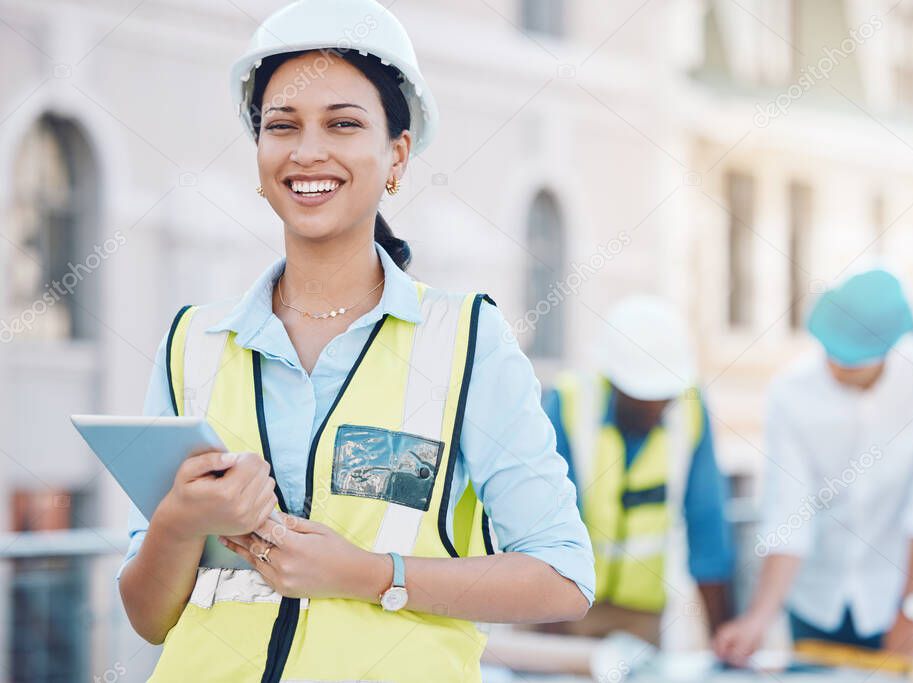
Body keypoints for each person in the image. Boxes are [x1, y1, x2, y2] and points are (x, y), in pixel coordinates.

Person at [116, 2, 594, 681]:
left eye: (343, 123)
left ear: (396, 155)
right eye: (282, 125)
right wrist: (177, 522)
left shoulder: (466, 342)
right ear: (259, 157)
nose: (308, 150)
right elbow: (147, 616)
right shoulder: (192, 342)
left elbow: (562, 576)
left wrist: (373, 574)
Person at [713, 269, 913, 664]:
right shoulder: (791, 392)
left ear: (890, 348)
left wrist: (908, 615)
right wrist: (758, 619)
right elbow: (789, 516)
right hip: (815, 600)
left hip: (903, 596)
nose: (836, 368)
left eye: (851, 363)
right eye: (830, 355)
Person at [485, 296, 734, 674]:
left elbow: (707, 526)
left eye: (663, 398)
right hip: (558, 604)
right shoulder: (570, 404)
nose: (656, 408)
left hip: (640, 613)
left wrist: (725, 643)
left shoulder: (689, 409)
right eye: (644, 397)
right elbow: (542, 525)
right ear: (615, 382)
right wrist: (556, 646)